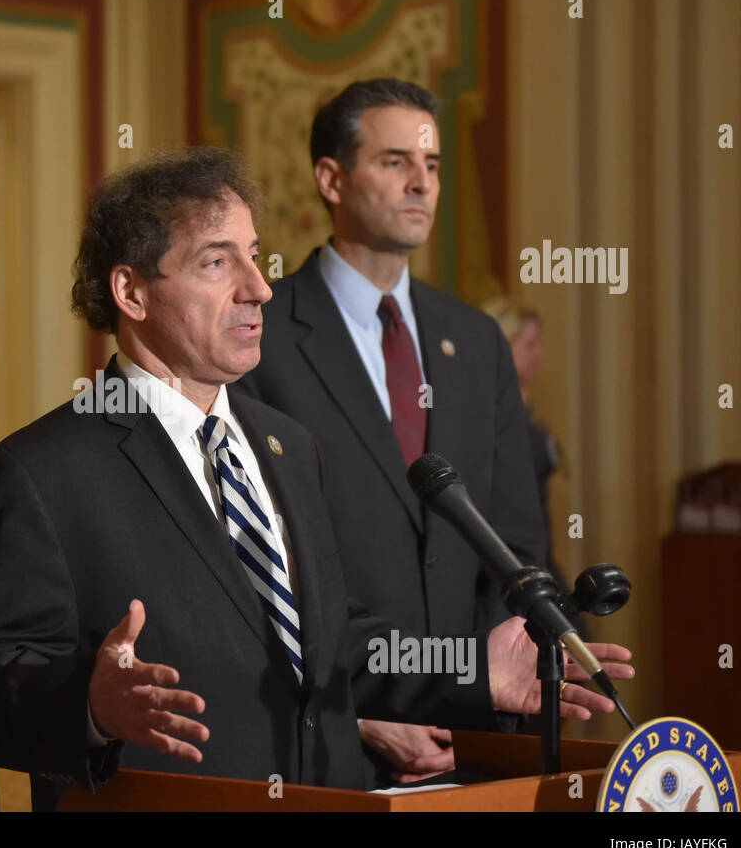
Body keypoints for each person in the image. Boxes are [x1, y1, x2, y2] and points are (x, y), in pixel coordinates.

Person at [0, 147, 632, 810]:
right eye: (217, 261)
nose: (259, 288)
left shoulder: (288, 444)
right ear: (130, 291)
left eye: (254, 255)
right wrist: (92, 705)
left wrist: (473, 669)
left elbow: (332, 642)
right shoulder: (40, 471)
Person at [235, 79, 549, 785]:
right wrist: (362, 708)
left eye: (432, 166)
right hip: (335, 742)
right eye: (395, 162)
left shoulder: (476, 341)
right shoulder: (260, 334)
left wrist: (486, 682)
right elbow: (253, 563)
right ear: (331, 178)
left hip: (475, 738)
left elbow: (518, 542)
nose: (420, 184)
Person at [480, 298, 566, 590]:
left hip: (540, 553)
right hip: (512, 565)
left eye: (539, 344)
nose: (539, 354)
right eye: (529, 345)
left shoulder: (529, 413)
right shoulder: (490, 420)